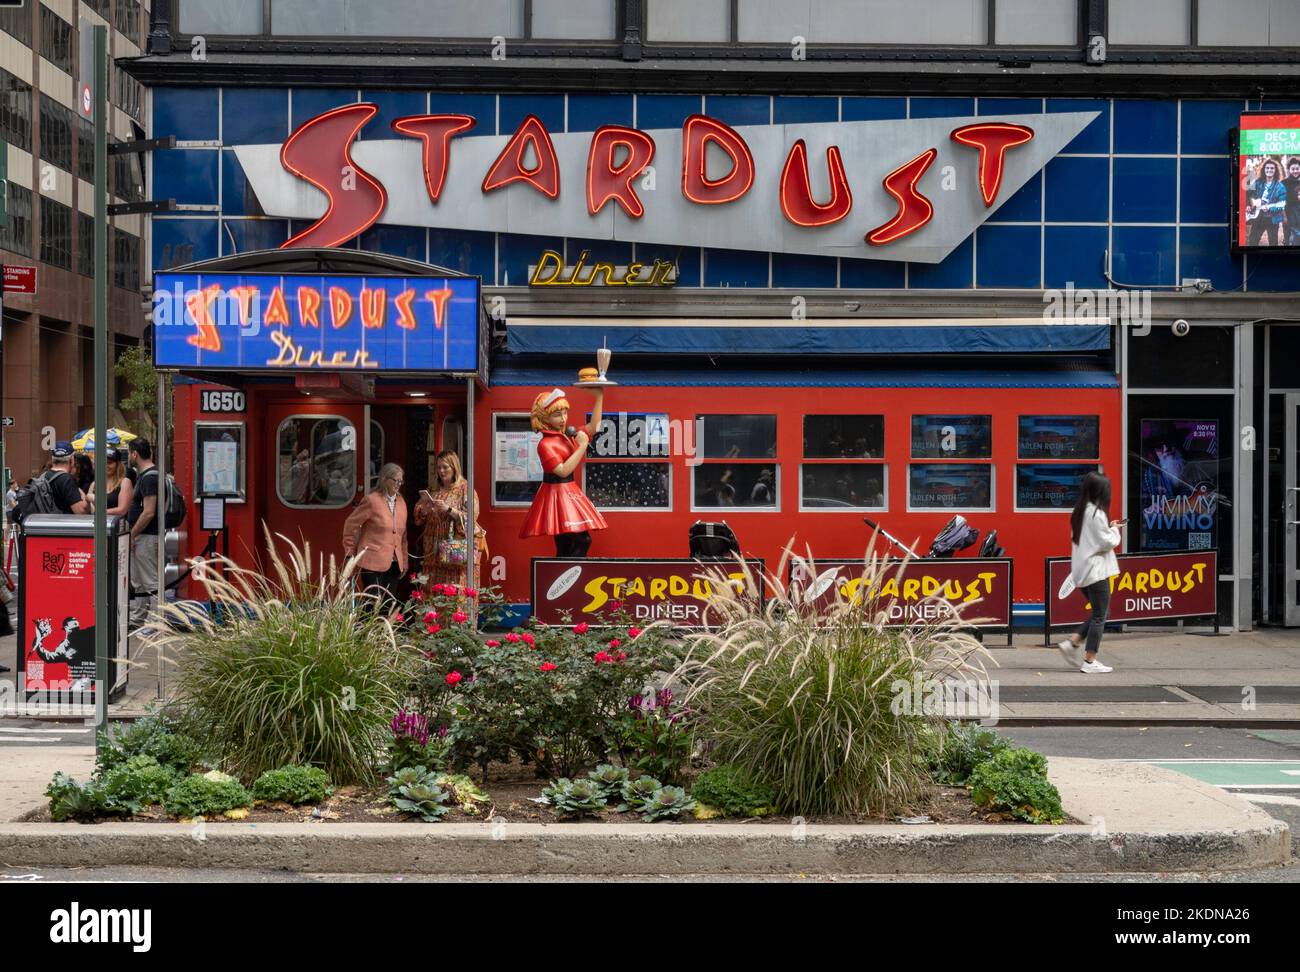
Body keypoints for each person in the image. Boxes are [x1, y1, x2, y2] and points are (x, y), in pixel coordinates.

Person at [519, 387, 608, 558]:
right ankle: (571, 574)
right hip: (557, 494)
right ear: (546, 417)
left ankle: (565, 576)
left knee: (566, 543)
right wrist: (582, 446)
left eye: (565, 413)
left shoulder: (567, 435)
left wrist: (599, 397)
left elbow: (594, 427)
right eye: (557, 415)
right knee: (580, 540)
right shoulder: (545, 444)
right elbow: (563, 470)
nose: (563, 418)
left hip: (567, 493)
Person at [1058, 471, 1123, 674]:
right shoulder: (1097, 513)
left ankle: (1073, 642)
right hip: (1095, 571)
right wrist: (1115, 530)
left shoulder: (1080, 511)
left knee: (1099, 612)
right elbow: (1107, 542)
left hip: (1082, 570)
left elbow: (1091, 538)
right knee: (1100, 616)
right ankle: (1089, 660)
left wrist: (1108, 527)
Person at [414, 450, 486, 597]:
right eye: (439, 467)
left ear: (454, 468)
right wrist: (425, 510)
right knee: (433, 594)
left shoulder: (465, 489)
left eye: (445, 467)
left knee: (454, 593)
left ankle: (456, 620)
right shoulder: (433, 489)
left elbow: (471, 519)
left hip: (454, 554)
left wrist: (448, 509)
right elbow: (418, 518)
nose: (441, 471)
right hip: (432, 553)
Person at [342, 462, 409, 605]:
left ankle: (384, 629)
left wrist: (404, 561)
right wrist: (350, 552)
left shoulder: (402, 502)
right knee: (371, 605)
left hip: (395, 563)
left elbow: (403, 536)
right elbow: (350, 525)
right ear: (385, 479)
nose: (398, 484)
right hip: (372, 562)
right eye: (395, 480)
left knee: (388, 605)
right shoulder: (371, 500)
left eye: (401, 481)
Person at [126, 438, 161, 627]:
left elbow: (149, 512)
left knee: (150, 581)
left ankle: (157, 622)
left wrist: (132, 534)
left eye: (129, 453)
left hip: (146, 536)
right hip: (142, 535)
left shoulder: (149, 477)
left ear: (135, 454)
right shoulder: (146, 475)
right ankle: (139, 618)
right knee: (138, 580)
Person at [1245, 157, 1287, 247]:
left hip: (1272, 219)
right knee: (1253, 240)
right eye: (1267, 168)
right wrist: (1248, 205)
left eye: (1272, 168)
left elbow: (1282, 205)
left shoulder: (1280, 187)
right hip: (1258, 217)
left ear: (1275, 170)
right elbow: (1248, 194)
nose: (1269, 170)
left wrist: (1269, 208)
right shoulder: (1257, 182)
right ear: (1264, 169)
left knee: (1273, 243)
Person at [42, 443, 90, 515]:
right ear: (72, 460)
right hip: (62, 524)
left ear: (53, 459)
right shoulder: (67, 480)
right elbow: (81, 511)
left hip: (44, 524)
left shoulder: (44, 475)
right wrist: (86, 498)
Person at [86, 447, 134, 517]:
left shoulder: (125, 482)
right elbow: (90, 512)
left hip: (116, 526)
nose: (106, 465)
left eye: (109, 463)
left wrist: (99, 512)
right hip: (97, 526)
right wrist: (87, 500)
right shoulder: (94, 484)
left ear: (117, 464)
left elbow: (122, 510)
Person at [1284, 157, 1300, 245]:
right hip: (1288, 213)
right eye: (1292, 169)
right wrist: (1284, 216)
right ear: (1289, 170)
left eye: (1297, 169)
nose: (1295, 171)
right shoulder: (1284, 182)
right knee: (1287, 236)